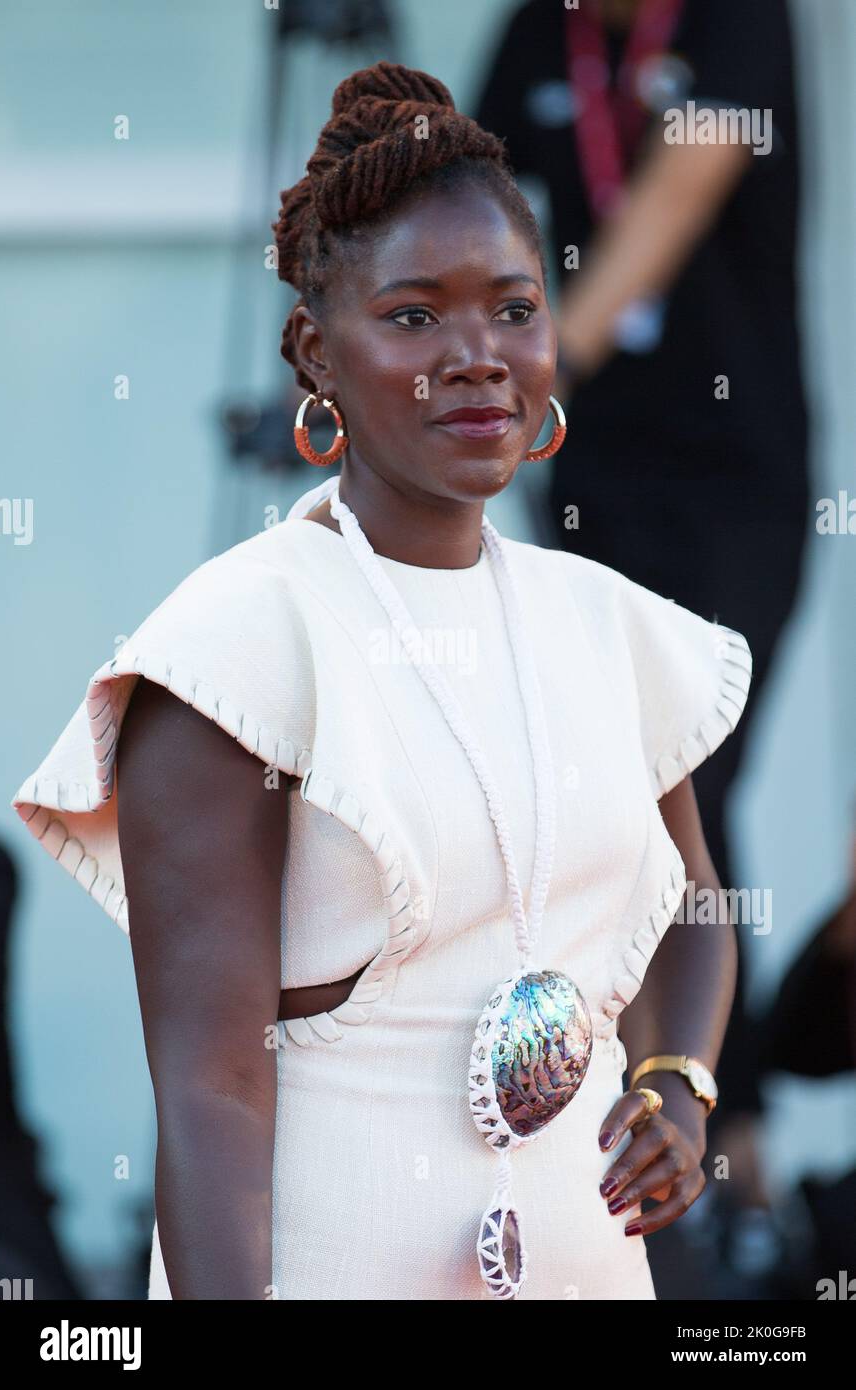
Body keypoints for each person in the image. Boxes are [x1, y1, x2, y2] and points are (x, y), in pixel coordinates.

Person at [11, 60, 753, 1301]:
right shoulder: (237, 647)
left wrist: (675, 1081)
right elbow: (210, 1089)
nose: (475, 355)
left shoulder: (605, 624)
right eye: (412, 316)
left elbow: (691, 905)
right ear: (315, 354)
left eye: (512, 310)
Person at [474, 0, 810, 1184]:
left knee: (693, 782)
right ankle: (615, 1134)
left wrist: (528, 364)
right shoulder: (539, 30)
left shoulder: (737, 19)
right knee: (599, 792)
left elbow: (677, 187)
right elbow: (467, 191)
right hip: (590, 478)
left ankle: (723, 1137)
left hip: (734, 480)